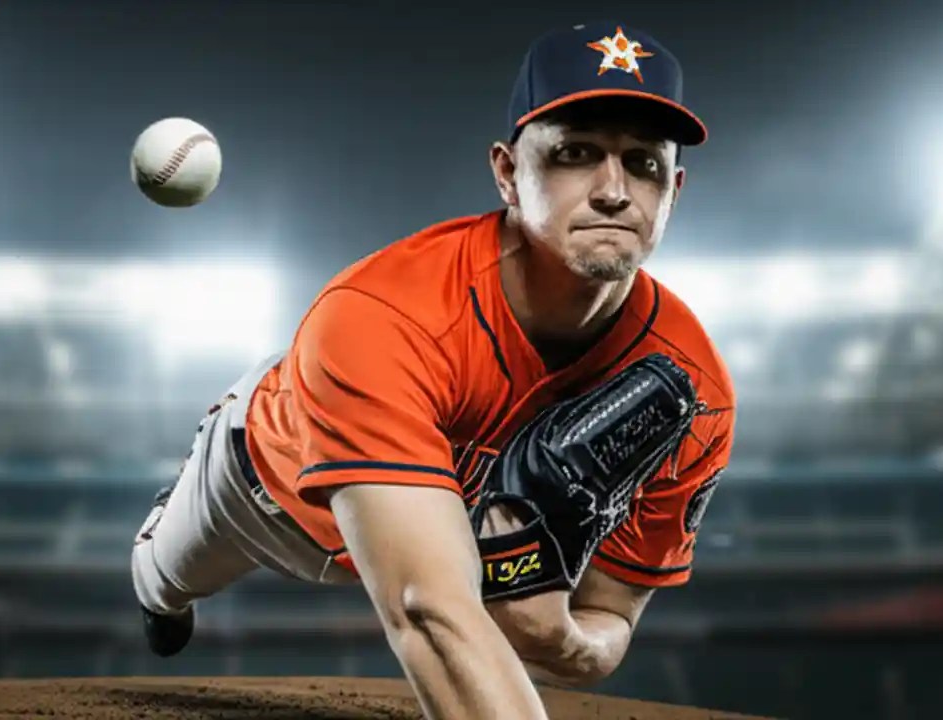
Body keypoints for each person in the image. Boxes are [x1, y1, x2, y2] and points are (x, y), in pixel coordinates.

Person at [130, 19, 735, 720]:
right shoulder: (383, 315)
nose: (613, 190)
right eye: (575, 152)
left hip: (444, 550)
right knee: (164, 583)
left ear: (675, 190)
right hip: (267, 489)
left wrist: (555, 634)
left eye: (643, 162)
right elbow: (428, 611)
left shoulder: (696, 390)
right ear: (508, 173)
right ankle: (157, 568)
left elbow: (610, 624)